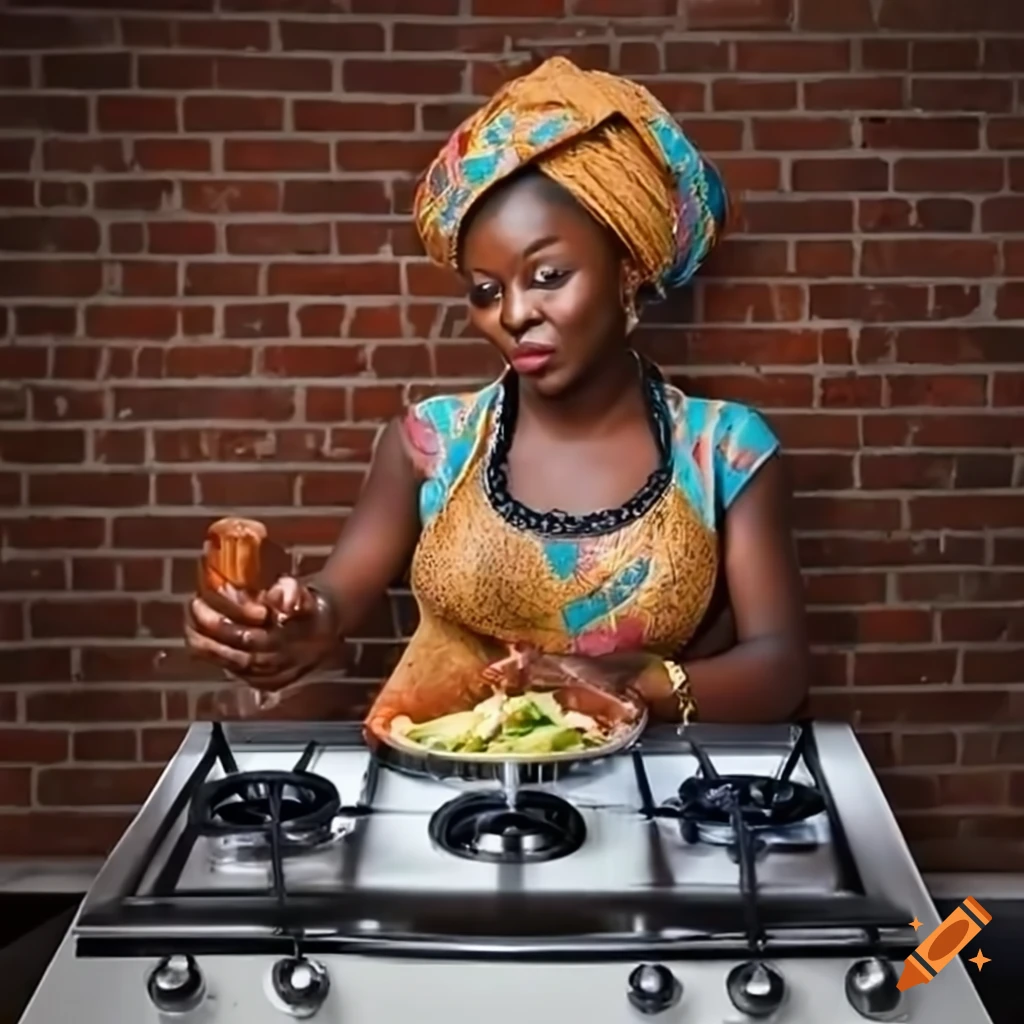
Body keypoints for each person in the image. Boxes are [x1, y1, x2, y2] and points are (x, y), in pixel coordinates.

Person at [184, 57, 810, 731]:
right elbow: (334, 600)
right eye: (485, 291)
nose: (513, 314)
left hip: (649, 802)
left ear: (627, 271)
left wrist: (631, 681)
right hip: (442, 801)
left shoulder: (724, 450)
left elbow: (779, 671)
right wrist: (285, 630)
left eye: (547, 274)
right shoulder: (433, 441)